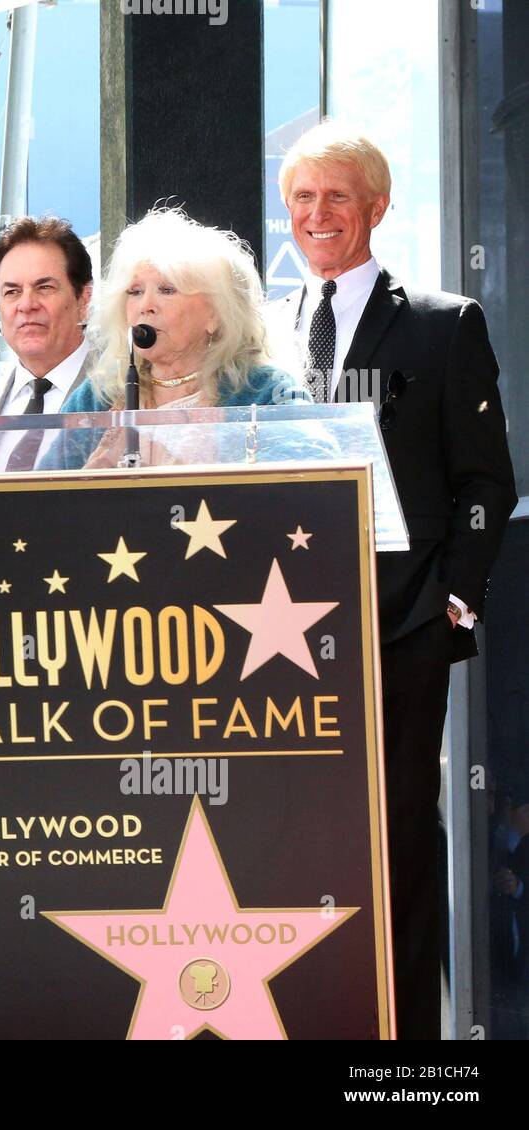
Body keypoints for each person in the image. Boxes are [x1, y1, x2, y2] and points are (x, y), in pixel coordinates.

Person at [266, 122, 516, 1039]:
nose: (318, 214)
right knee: (293, 841)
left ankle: (409, 1058)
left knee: (401, 841)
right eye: (302, 197)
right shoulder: (262, 333)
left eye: (338, 196)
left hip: (401, 624)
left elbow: (488, 479)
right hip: (278, 633)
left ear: (376, 207)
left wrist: (457, 596)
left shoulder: (445, 325)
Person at [44, 207, 308, 470]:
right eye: (135, 291)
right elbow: (37, 494)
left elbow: (317, 474)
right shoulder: (100, 394)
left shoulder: (265, 391)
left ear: (215, 314)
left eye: (167, 290)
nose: (145, 305)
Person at [0, 216, 96, 472]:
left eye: (44, 287)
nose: (27, 305)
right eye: (12, 292)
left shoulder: (126, 401)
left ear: (83, 300)